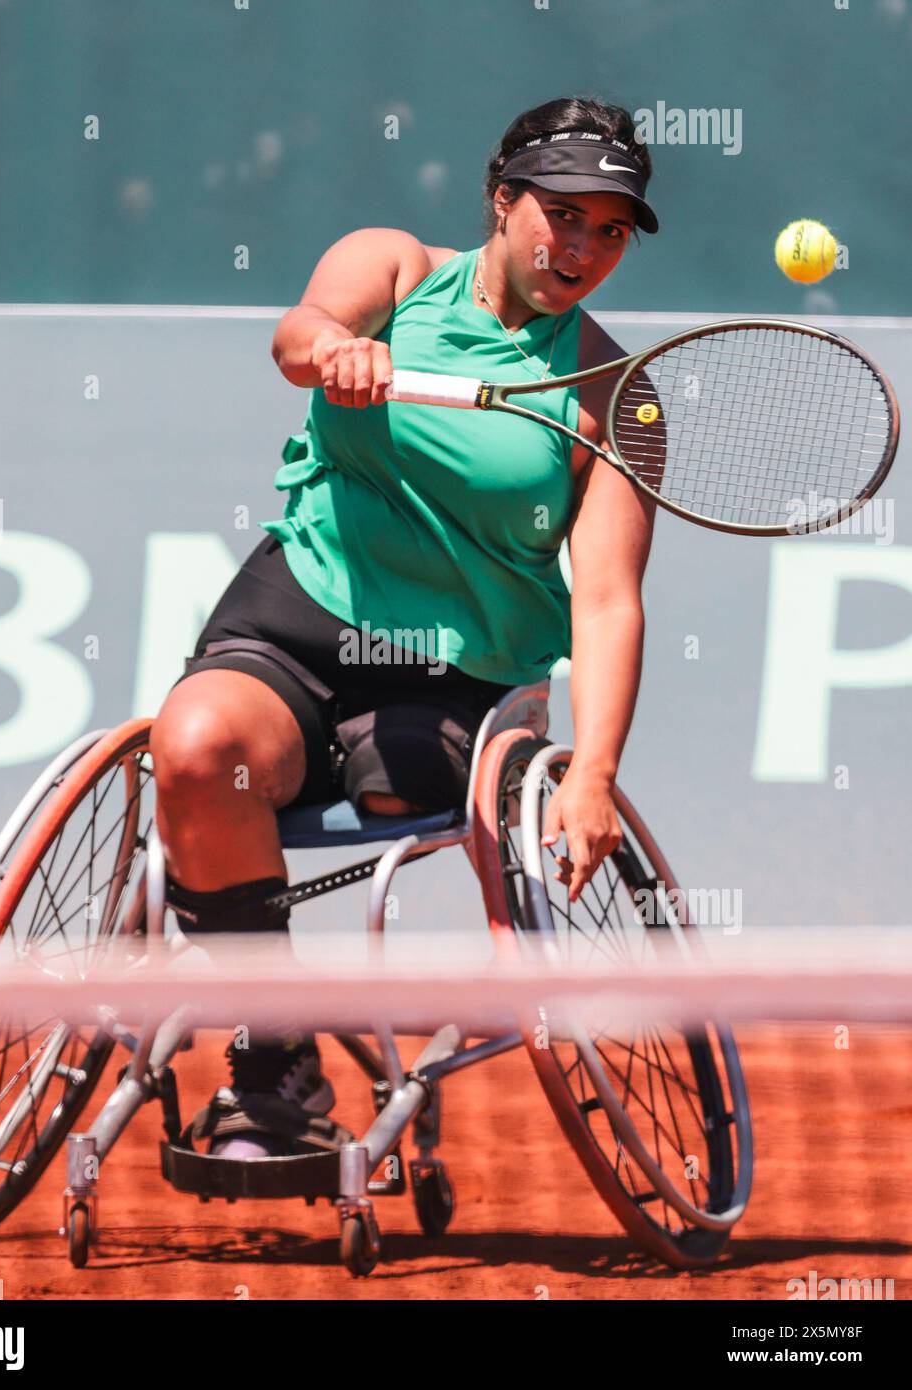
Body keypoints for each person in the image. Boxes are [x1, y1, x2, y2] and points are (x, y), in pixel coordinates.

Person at [149, 95, 659, 1157]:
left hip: (455, 680)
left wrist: (595, 771)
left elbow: (608, 598)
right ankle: (272, 1051)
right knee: (197, 752)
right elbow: (296, 337)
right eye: (562, 213)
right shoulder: (391, 267)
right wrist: (339, 346)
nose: (582, 247)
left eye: (609, 228)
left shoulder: (617, 395)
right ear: (501, 198)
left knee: (389, 778)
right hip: (303, 612)